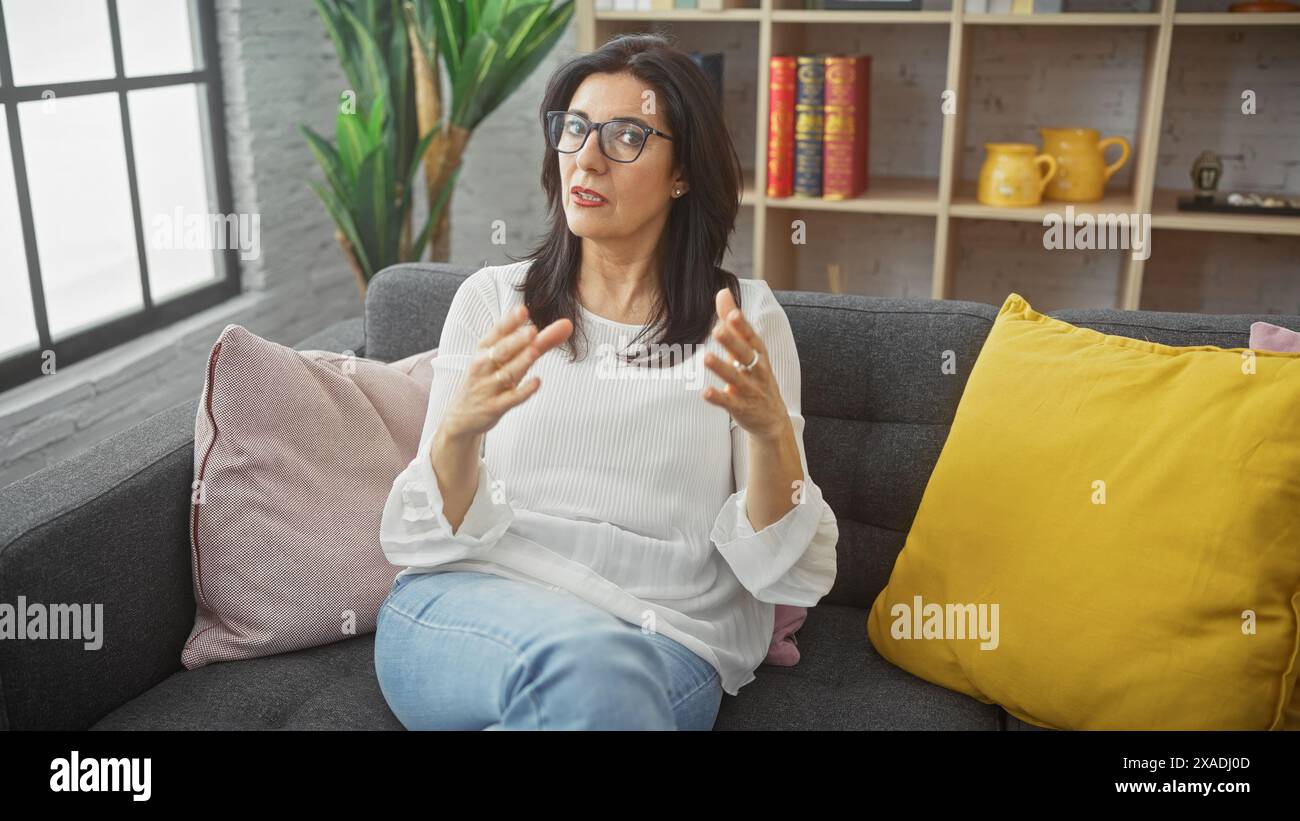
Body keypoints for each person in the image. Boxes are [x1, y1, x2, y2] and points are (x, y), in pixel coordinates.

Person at [373, 33, 839, 731]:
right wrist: (460, 431)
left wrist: (772, 432)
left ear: (683, 171)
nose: (587, 158)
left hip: (659, 642)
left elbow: (781, 569)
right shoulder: (493, 300)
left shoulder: (744, 319)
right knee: (585, 669)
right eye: (575, 129)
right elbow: (421, 537)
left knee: (596, 679)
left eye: (627, 135)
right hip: (465, 610)